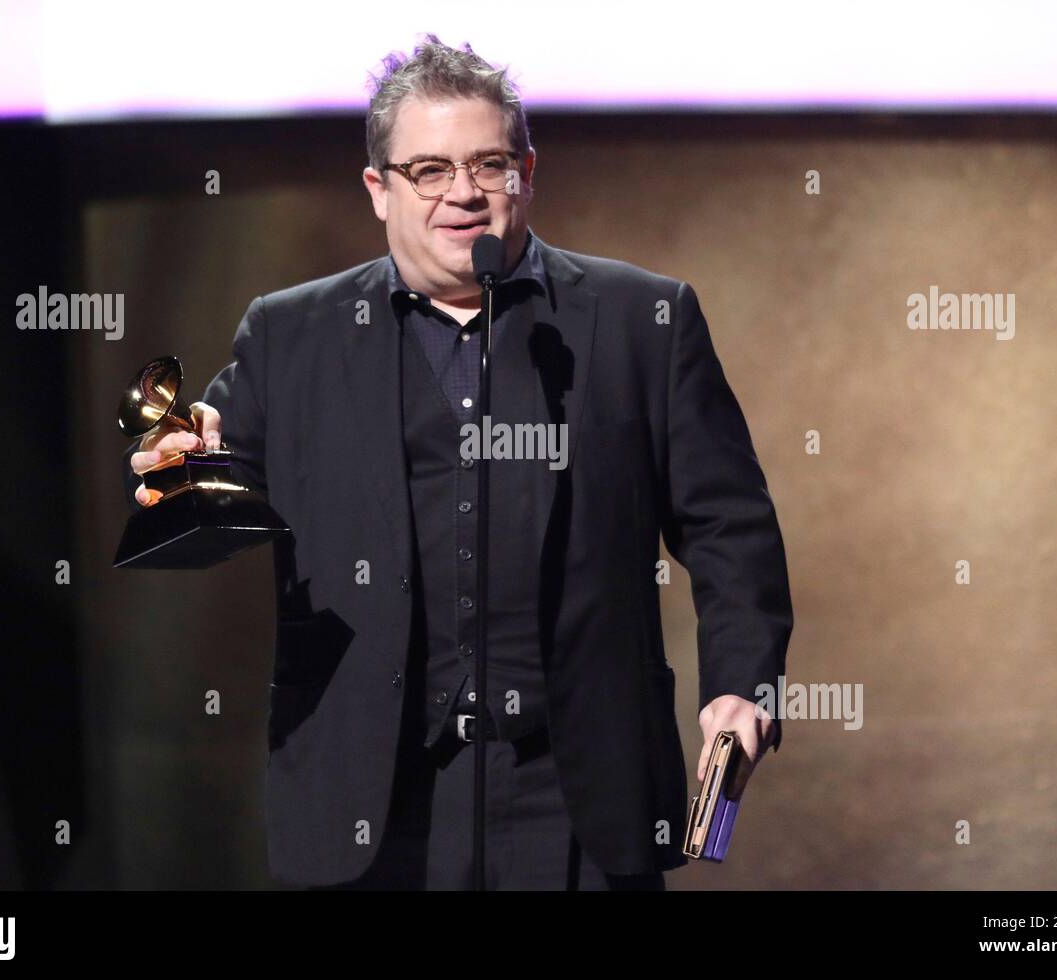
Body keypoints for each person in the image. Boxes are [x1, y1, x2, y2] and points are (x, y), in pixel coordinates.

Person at [122, 34, 792, 890]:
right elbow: (197, 523)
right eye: (430, 170)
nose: (464, 194)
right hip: (373, 800)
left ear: (528, 173)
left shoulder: (643, 321)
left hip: (581, 795)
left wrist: (744, 685)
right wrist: (180, 478)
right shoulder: (292, 335)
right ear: (378, 189)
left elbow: (729, 524)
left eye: (491, 165)